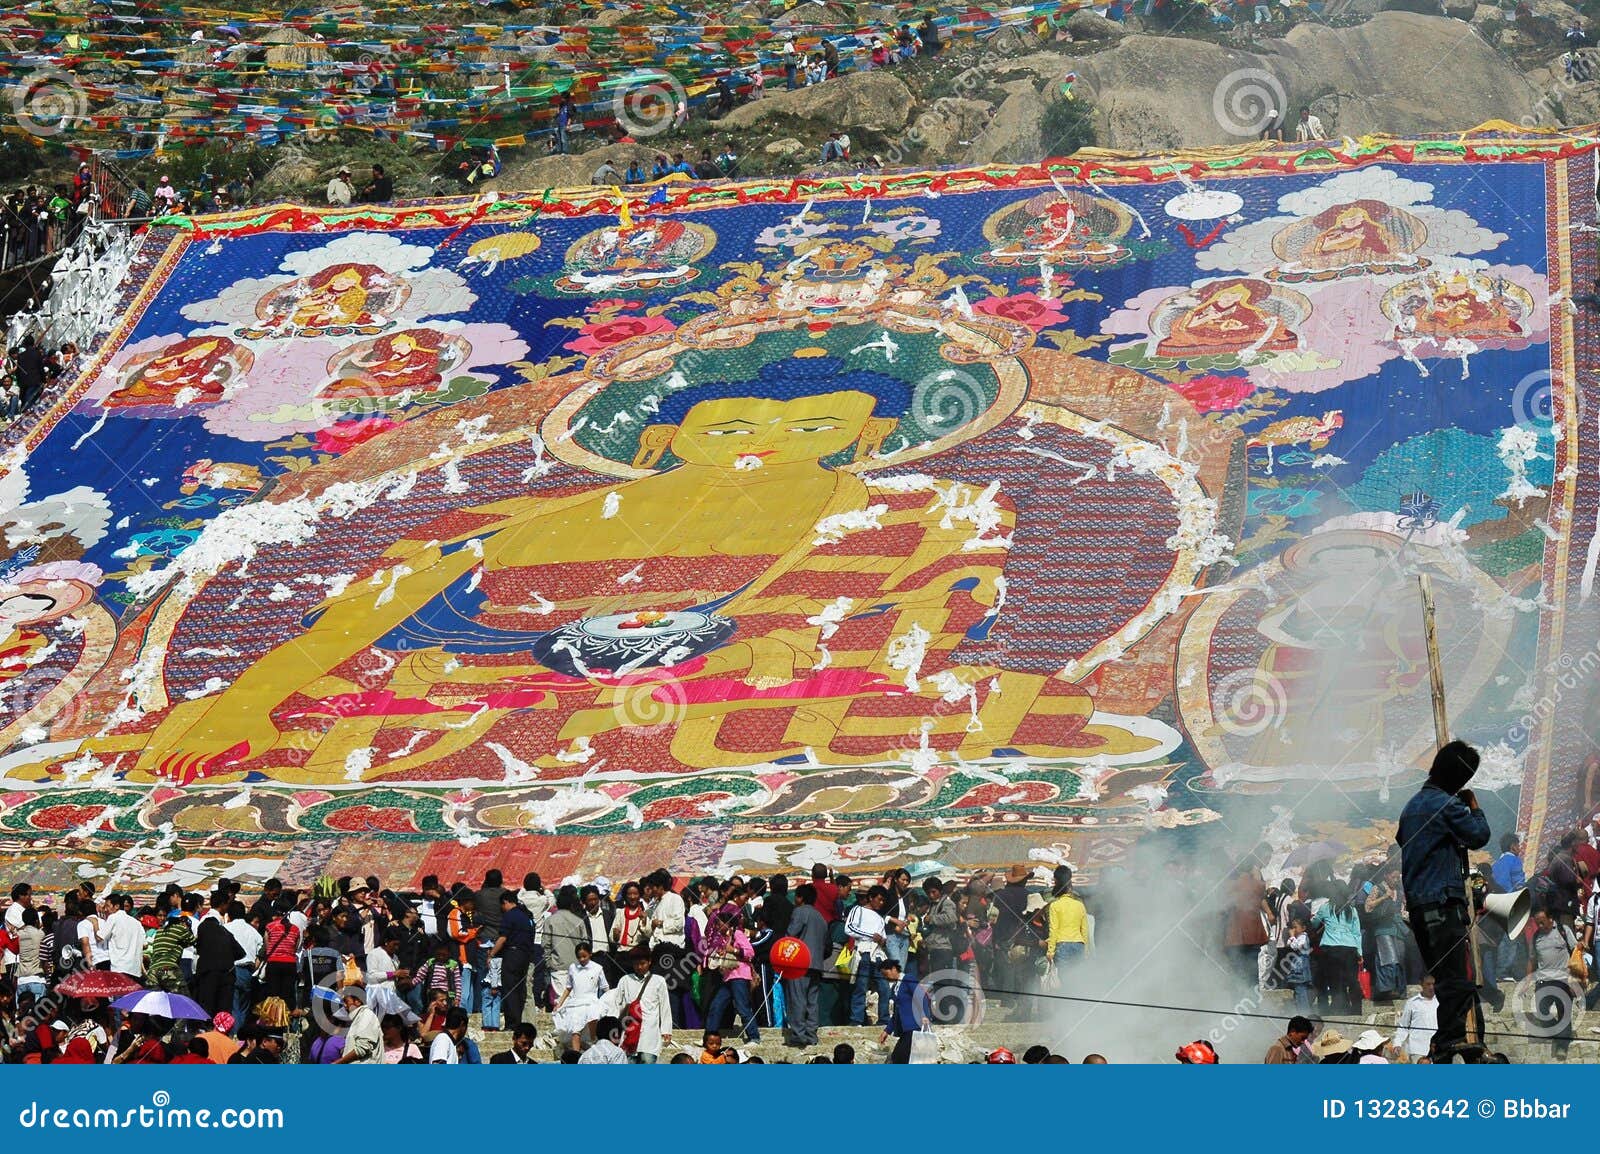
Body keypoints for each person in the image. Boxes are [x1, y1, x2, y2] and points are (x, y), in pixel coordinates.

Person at [1396, 739, 1492, 1059]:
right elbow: (1479, 835)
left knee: (1447, 978)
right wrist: (1473, 805)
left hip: (1420, 907)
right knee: (1457, 982)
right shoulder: (1446, 805)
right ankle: (1447, 1042)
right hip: (1442, 904)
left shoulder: (1411, 807)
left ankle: (1455, 1043)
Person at [1528, 908, 1579, 1059]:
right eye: (1537, 923)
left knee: (1564, 1013)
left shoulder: (1563, 930)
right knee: (1541, 1009)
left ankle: (1562, 1047)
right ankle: (1560, 1033)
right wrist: (1527, 981)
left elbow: (1576, 951)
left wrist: (1575, 978)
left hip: (1563, 980)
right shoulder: (1536, 937)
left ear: (1551, 919)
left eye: (1542, 922)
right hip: (1543, 980)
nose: (1540, 926)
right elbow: (1532, 959)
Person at [783, 883, 828, 1047]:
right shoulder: (821, 917)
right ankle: (811, 1035)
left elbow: (791, 934)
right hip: (817, 965)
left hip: (799, 964)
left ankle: (798, 1035)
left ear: (800, 898)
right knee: (812, 1002)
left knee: (797, 999)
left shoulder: (800, 912)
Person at [613, 945, 671, 1063]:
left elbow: (665, 1006)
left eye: (642, 963)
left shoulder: (659, 981)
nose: (639, 967)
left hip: (650, 1031)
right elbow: (616, 1004)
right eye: (636, 964)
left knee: (648, 1060)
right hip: (629, 1032)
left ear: (649, 962)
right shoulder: (625, 980)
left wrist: (666, 1030)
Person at [488, 890, 536, 1027]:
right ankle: (518, 1020)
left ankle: (512, 1023)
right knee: (520, 989)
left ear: (506, 902)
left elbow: (503, 938)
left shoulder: (509, 916)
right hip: (525, 955)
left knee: (510, 988)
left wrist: (491, 954)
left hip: (512, 954)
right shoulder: (526, 915)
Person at [846, 885, 891, 1025]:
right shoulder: (858, 910)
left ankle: (884, 1019)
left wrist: (882, 941)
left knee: (884, 987)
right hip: (864, 951)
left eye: (883, 901)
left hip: (878, 955)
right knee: (861, 986)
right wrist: (871, 935)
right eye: (879, 899)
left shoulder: (880, 918)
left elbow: (883, 938)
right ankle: (856, 1020)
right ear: (871, 898)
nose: (881, 903)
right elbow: (849, 928)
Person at [551, 941, 608, 1046]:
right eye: (579, 957)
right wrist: (559, 1003)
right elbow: (568, 988)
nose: (581, 959)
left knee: (593, 1019)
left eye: (584, 956)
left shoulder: (598, 968)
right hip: (576, 1002)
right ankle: (575, 1053)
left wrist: (609, 1001)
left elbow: (605, 987)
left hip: (591, 1001)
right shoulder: (573, 968)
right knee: (575, 1030)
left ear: (590, 954)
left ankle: (594, 1043)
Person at [877, 955, 923, 1063]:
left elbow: (921, 997)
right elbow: (896, 1013)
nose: (886, 977)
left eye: (886, 974)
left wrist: (924, 1016)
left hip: (914, 1026)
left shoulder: (908, 979)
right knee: (900, 1058)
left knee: (899, 1058)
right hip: (905, 1029)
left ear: (893, 969)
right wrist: (887, 1031)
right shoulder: (895, 987)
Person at [1045, 865, 1089, 973]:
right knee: (1077, 978)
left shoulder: (1054, 906)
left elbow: (1054, 930)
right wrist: (1086, 951)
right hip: (1079, 945)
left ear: (1056, 882)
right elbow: (1085, 930)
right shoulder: (1080, 905)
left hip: (1062, 945)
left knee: (1065, 979)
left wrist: (1050, 951)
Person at [1392, 974, 1439, 1061]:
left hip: (1437, 1049)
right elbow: (1403, 1026)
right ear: (1421, 984)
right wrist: (1397, 1044)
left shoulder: (1440, 1002)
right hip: (1418, 1050)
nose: (1431, 987)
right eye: (1428, 984)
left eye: (1433, 984)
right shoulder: (1412, 1003)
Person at [336, 987, 384, 1064]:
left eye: (346, 1001)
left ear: (358, 1002)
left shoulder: (366, 1015)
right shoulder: (359, 1017)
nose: (344, 1005)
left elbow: (363, 1048)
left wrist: (338, 1063)